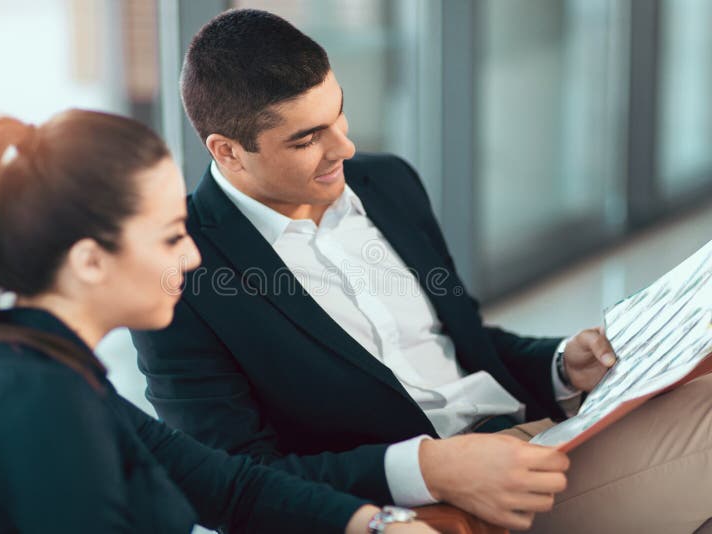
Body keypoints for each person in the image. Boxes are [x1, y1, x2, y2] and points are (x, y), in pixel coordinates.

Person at [132, 9, 712, 533]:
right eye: (308, 138)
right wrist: (425, 471)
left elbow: (464, 343)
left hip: (536, 435)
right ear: (228, 151)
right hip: (425, 502)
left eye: (338, 114)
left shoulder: (388, 182)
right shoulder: (182, 273)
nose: (346, 148)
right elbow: (232, 480)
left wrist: (561, 364)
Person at [0, 109, 436, 533]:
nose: (191, 256)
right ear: (90, 261)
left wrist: (375, 524)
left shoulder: (54, 372)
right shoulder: (36, 400)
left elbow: (229, 486)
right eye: (169, 237)